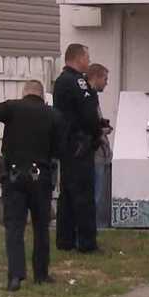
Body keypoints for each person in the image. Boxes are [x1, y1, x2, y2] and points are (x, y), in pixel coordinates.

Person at [0, 80, 66, 291]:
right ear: (41, 96)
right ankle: (41, 274)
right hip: (40, 177)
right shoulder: (53, 114)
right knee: (41, 227)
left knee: (15, 227)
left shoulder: (12, 107)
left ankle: (15, 277)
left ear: (24, 93)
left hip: (14, 176)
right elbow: (59, 148)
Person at [53, 43, 102, 253]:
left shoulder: (61, 81)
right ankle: (87, 242)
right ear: (78, 57)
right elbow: (88, 113)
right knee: (83, 194)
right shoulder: (77, 82)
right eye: (87, 57)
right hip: (80, 145)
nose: (88, 61)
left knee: (68, 194)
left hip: (66, 145)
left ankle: (65, 240)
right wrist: (97, 132)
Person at [87, 63, 113, 229]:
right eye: (105, 78)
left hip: (100, 154)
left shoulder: (92, 98)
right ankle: (93, 228)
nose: (106, 83)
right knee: (94, 195)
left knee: (97, 194)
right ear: (96, 77)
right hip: (95, 154)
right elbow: (90, 126)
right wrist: (101, 131)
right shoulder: (88, 98)